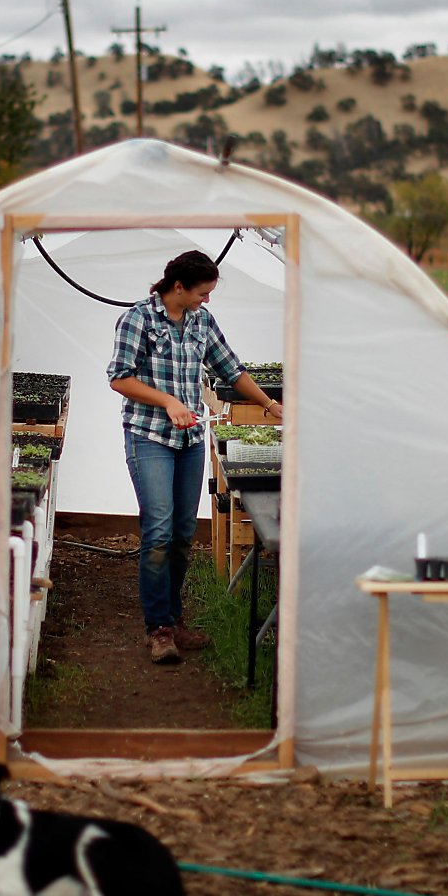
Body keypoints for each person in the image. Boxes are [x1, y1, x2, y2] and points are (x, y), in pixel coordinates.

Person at [106, 249, 283, 664]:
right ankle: (159, 629)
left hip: (188, 442)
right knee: (160, 530)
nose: (207, 300)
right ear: (179, 286)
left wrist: (269, 404)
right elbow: (120, 378)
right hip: (148, 437)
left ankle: (174, 617)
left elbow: (230, 369)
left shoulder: (201, 321)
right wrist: (168, 401)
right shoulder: (138, 319)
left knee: (184, 533)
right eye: (203, 293)